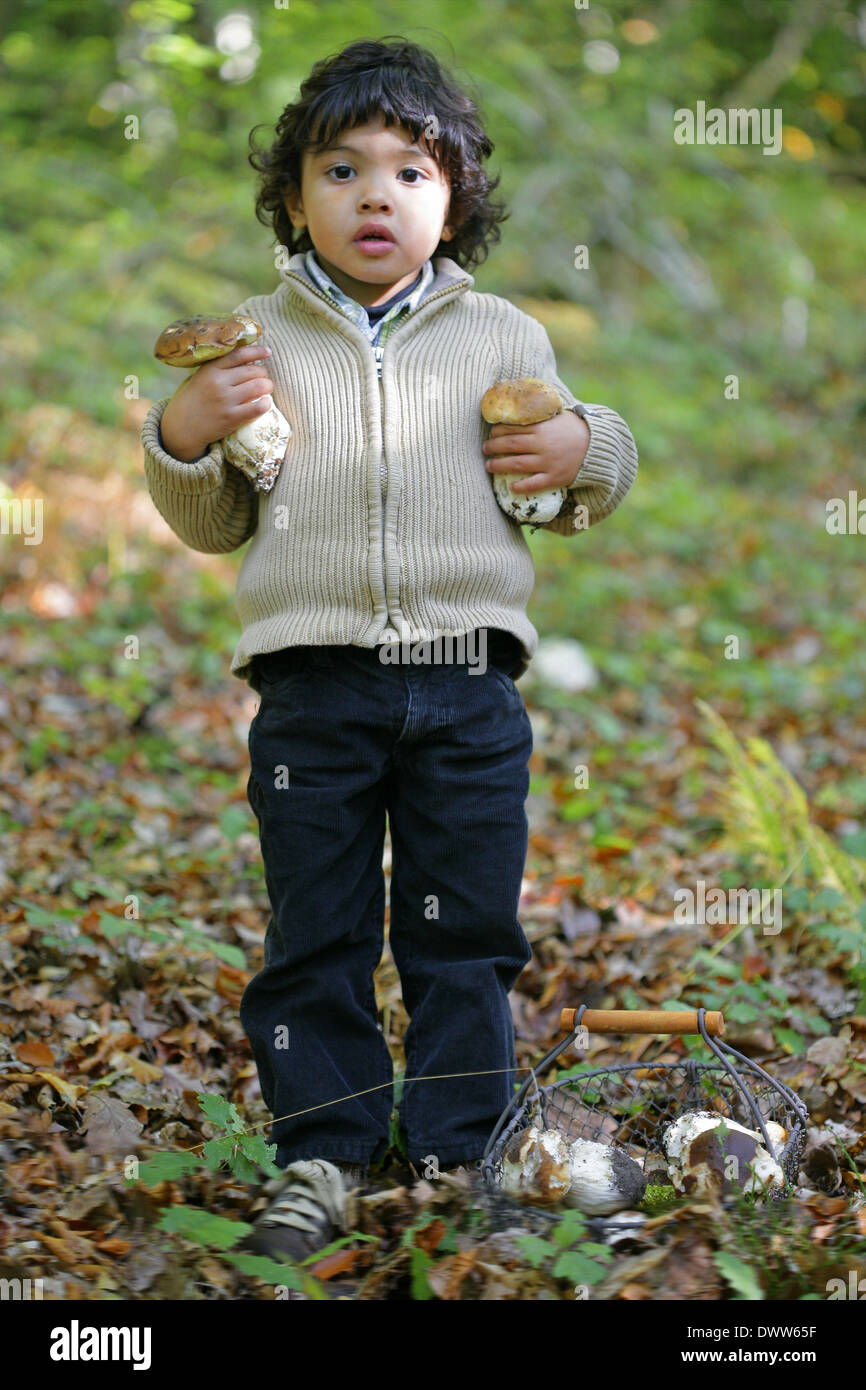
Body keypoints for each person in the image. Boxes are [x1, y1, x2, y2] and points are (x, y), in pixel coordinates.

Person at [140, 35, 638, 1260]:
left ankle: (461, 1148)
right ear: (294, 198)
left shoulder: (504, 334)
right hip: (314, 685)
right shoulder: (253, 340)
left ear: (453, 196)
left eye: (409, 170)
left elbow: (567, 485)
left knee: (464, 929)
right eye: (340, 169)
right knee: (314, 928)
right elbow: (211, 520)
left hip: (469, 687)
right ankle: (322, 1147)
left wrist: (588, 447)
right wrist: (183, 432)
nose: (375, 194)